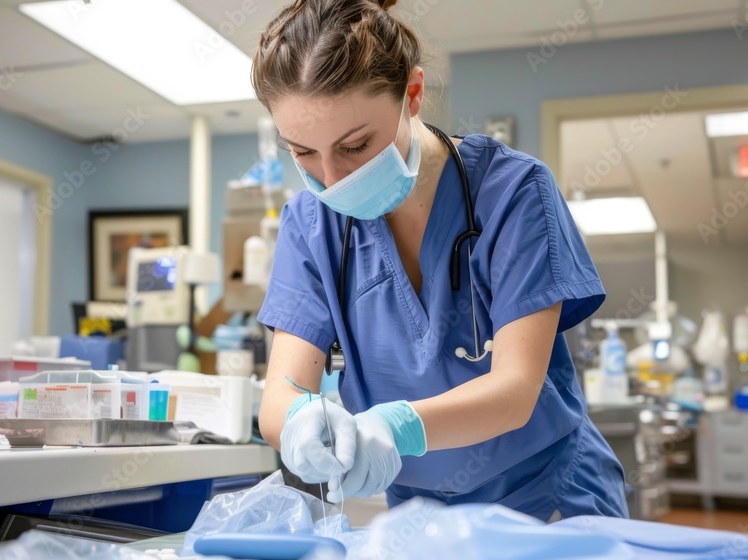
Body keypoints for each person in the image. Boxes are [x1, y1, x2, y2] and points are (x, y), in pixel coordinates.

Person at [251, 0, 628, 522]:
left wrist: (398, 427)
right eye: (303, 152)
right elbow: (282, 392)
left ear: (412, 94)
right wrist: (297, 421)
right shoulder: (309, 224)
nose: (332, 180)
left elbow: (516, 390)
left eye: (356, 145)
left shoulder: (513, 193)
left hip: (547, 498)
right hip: (422, 514)